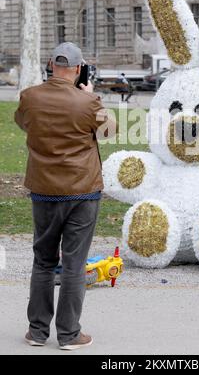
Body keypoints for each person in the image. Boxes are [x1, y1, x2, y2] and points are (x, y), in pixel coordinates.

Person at [15, 42, 117, 351]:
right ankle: (70, 335)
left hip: (44, 191)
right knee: (74, 264)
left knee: (44, 262)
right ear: (77, 69)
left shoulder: (29, 98)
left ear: (50, 64)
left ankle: (37, 332)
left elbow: (23, 123)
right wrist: (90, 97)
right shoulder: (87, 102)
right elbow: (110, 132)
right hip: (82, 191)